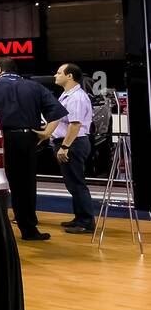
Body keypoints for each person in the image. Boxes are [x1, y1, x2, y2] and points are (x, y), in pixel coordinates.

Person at [0, 57, 66, 241]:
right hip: (26, 138)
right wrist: (46, 133)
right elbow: (57, 111)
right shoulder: (35, 87)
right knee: (25, 185)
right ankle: (29, 230)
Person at [51, 63, 97, 234]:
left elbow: (75, 124)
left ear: (69, 76)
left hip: (73, 143)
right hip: (70, 142)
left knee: (77, 184)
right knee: (73, 184)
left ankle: (86, 222)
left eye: (58, 73)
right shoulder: (67, 95)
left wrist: (64, 146)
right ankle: (79, 217)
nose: (55, 76)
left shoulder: (76, 97)